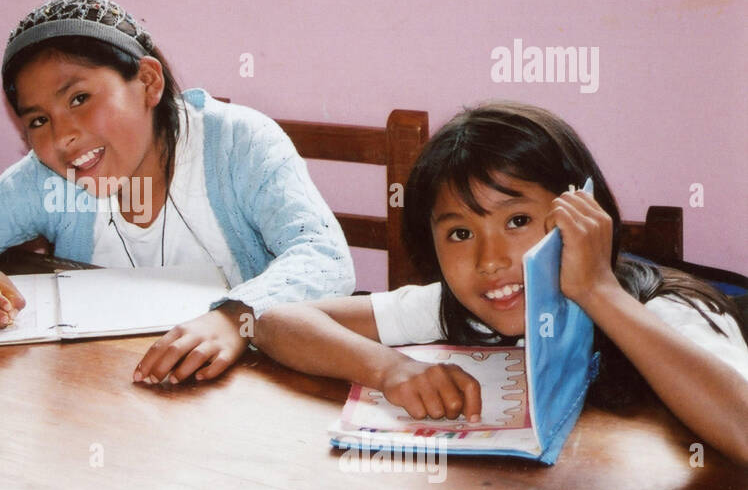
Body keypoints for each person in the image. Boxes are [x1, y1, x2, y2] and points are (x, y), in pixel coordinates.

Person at [0, 0, 354, 384]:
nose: (62, 137)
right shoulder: (48, 181)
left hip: (243, 396)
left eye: (80, 98)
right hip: (109, 400)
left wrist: (236, 317)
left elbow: (325, 256)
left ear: (148, 82)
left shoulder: (236, 145)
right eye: (38, 120)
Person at [254, 101, 748, 465]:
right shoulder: (458, 307)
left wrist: (599, 292)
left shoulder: (666, 309)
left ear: (581, 214)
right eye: (461, 233)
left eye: (517, 221)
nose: (490, 261)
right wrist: (388, 369)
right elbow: (277, 322)